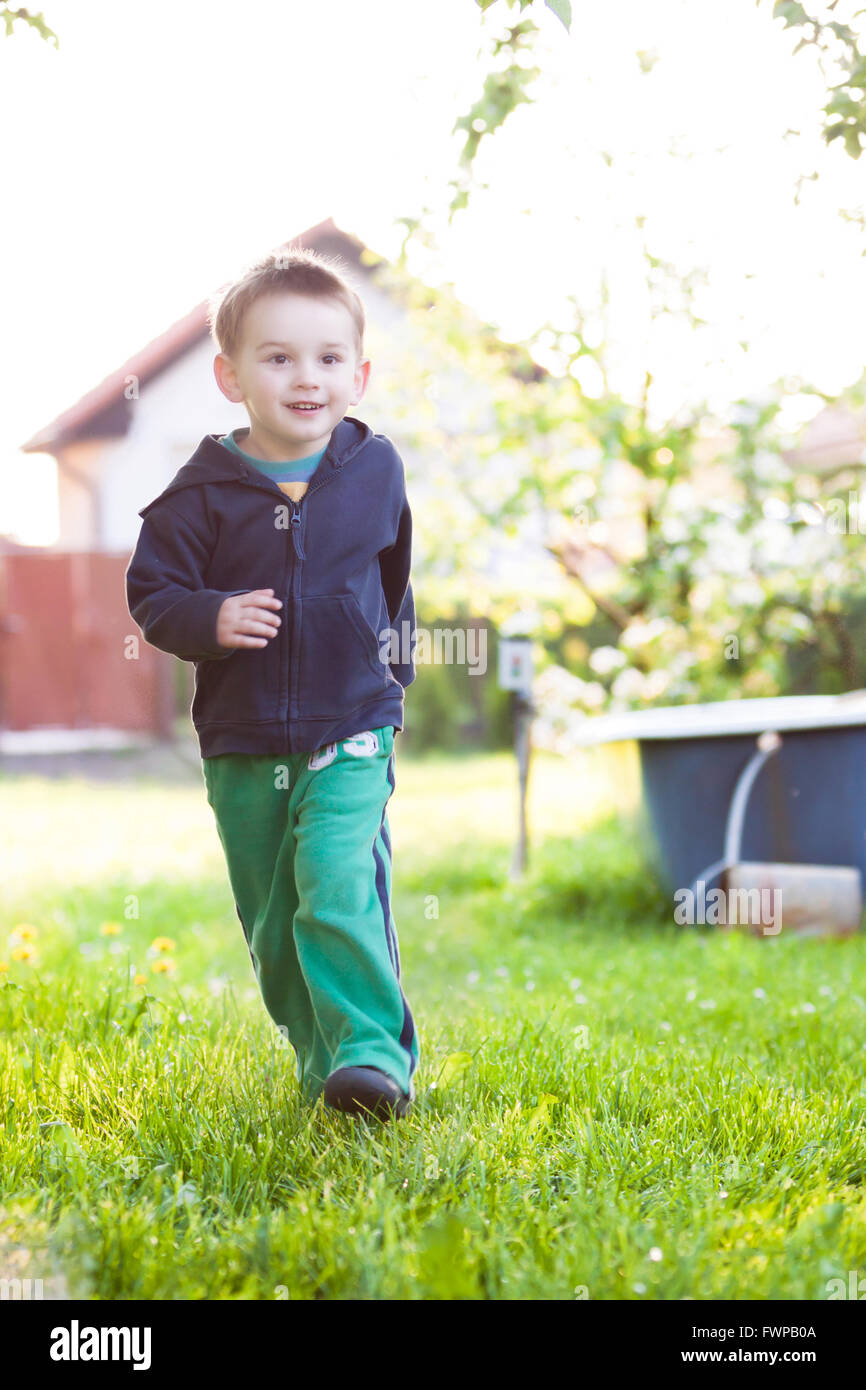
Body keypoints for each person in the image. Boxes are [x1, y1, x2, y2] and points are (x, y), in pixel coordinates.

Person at [125, 245, 420, 1121]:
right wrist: (208, 618)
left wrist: (391, 670)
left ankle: (374, 1055)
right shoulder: (197, 496)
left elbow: (394, 574)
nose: (307, 378)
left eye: (329, 359)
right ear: (230, 375)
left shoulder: (375, 470)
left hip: (352, 722)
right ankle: (323, 1060)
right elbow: (154, 597)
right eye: (278, 357)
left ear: (358, 375)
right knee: (275, 916)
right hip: (245, 737)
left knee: (336, 879)